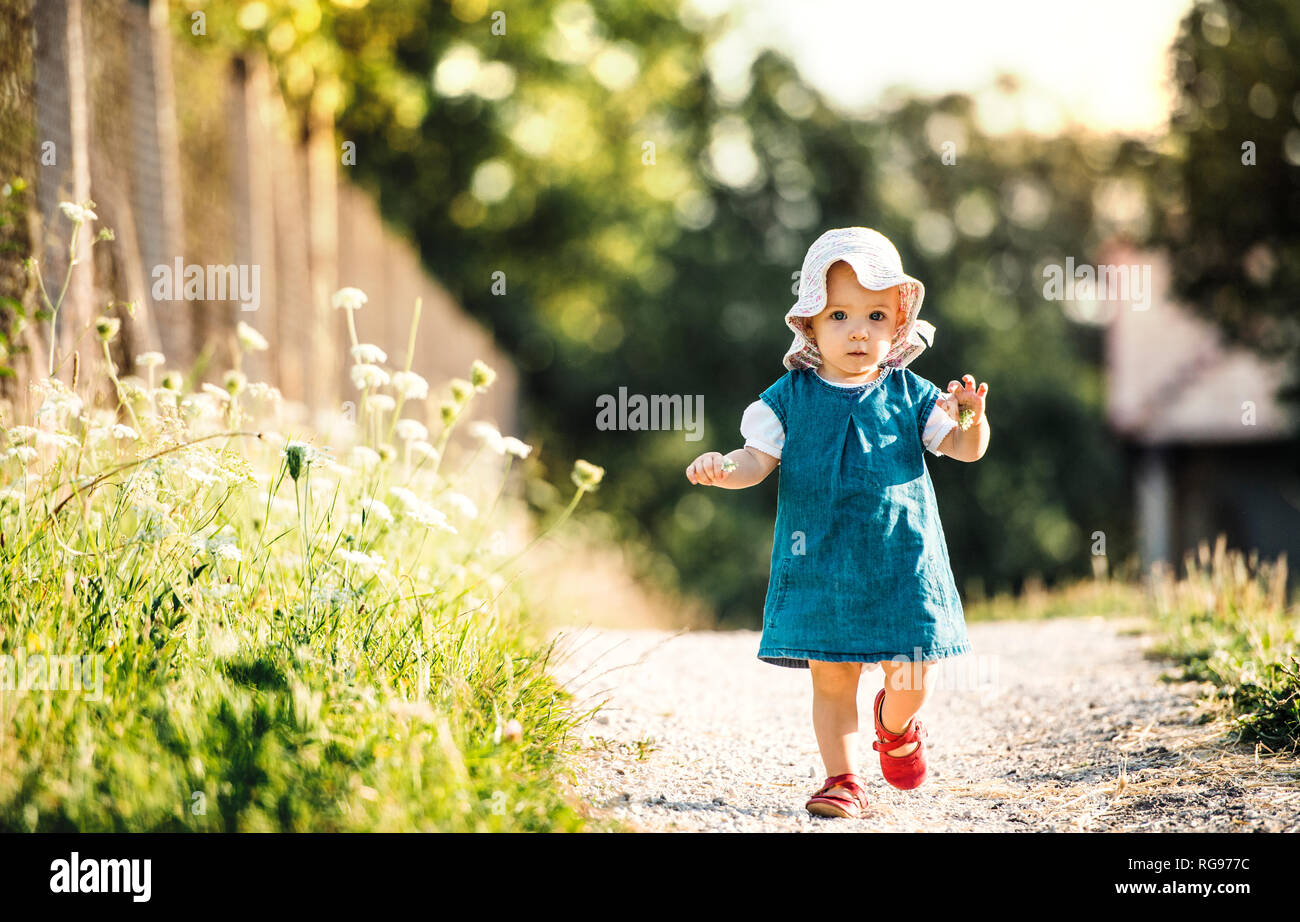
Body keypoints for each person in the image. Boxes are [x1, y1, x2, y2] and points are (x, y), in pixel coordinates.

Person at [685, 227, 990, 819]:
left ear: (897, 322)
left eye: (875, 315)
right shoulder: (788, 398)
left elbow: (962, 448)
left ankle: (895, 726)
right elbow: (755, 462)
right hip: (820, 561)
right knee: (831, 679)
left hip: (902, 562)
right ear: (809, 325)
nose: (858, 331)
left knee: (912, 676)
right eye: (839, 315)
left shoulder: (912, 394)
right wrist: (724, 467)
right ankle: (842, 778)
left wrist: (972, 422)